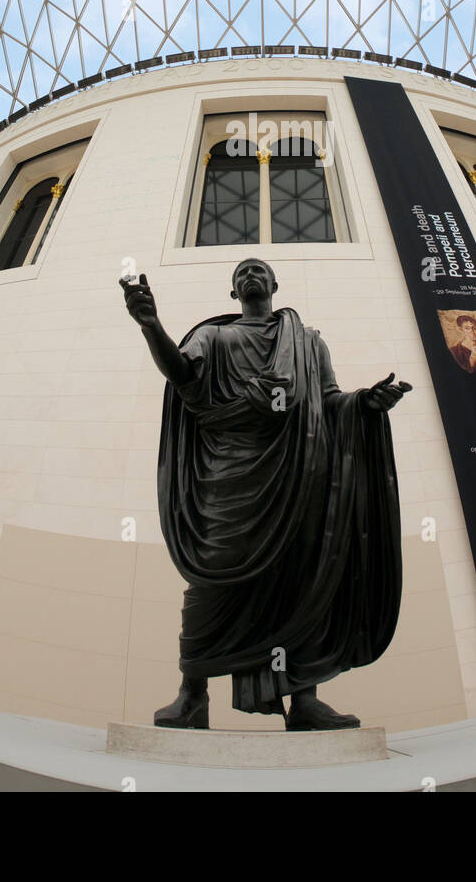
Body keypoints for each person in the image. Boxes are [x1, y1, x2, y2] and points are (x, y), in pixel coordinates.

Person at [121, 259, 410, 731]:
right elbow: (182, 376)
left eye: (259, 270)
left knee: (299, 577)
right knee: (213, 578)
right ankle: (192, 694)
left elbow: (329, 398)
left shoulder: (308, 340)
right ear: (234, 292)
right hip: (228, 469)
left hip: (297, 470)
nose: (250, 275)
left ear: (274, 285)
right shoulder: (213, 336)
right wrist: (151, 325)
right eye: (241, 274)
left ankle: (305, 700)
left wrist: (365, 403)